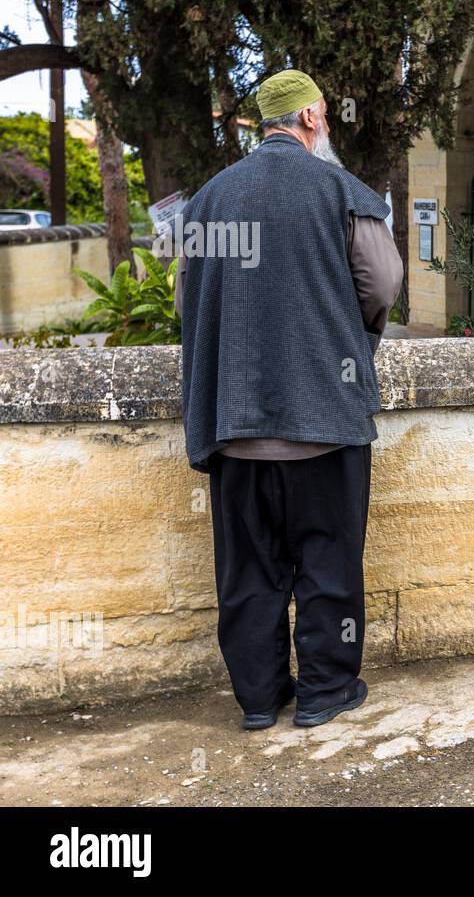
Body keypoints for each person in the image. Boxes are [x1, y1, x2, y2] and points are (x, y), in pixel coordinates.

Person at [176, 69, 403, 728]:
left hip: (236, 422)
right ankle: (326, 692)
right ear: (310, 119)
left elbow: (189, 302)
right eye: (324, 116)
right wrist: (343, 333)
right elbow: (383, 283)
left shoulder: (209, 202)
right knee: (328, 561)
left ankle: (258, 699)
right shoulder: (344, 192)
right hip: (326, 421)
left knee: (249, 570)